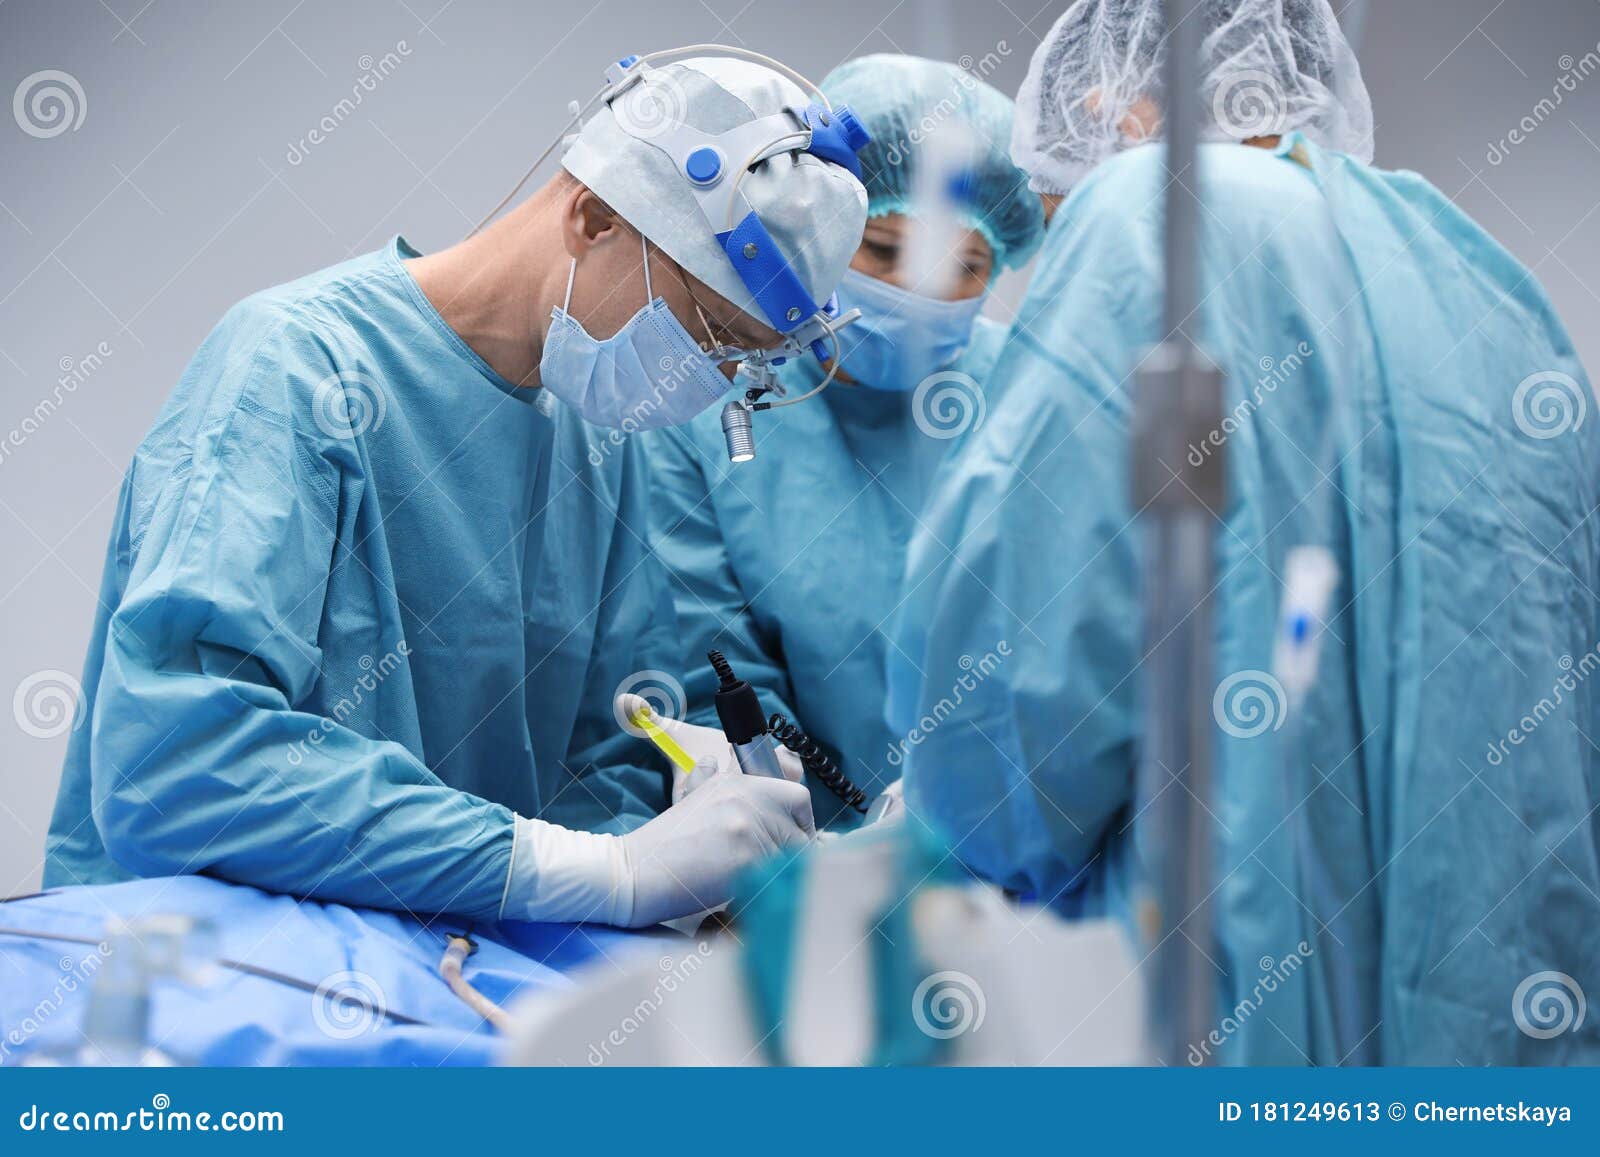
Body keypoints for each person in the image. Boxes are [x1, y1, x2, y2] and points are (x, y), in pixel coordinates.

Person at [885, 0, 1600, 1064]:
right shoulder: (1473, 272)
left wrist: (944, 814)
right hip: (1507, 1025)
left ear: (1113, 109)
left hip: (1252, 1011)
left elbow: (1023, 677)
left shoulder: (1152, 213)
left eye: (1053, 207)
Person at [44, 51, 870, 929]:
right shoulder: (296, 369)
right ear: (595, 217)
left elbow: (597, 763)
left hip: (449, 975)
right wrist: (596, 868)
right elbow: (176, 765)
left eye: (743, 361)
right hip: (209, 971)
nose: (711, 379)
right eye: (709, 330)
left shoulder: (598, 444)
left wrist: (678, 807)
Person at [642, 54, 1044, 828]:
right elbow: (715, 672)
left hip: (1028, 854)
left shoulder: (1037, 394)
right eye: (886, 251)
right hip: (811, 860)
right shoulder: (713, 412)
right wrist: (809, 846)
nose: (918, 291)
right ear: (817, 230)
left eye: (961, 263)